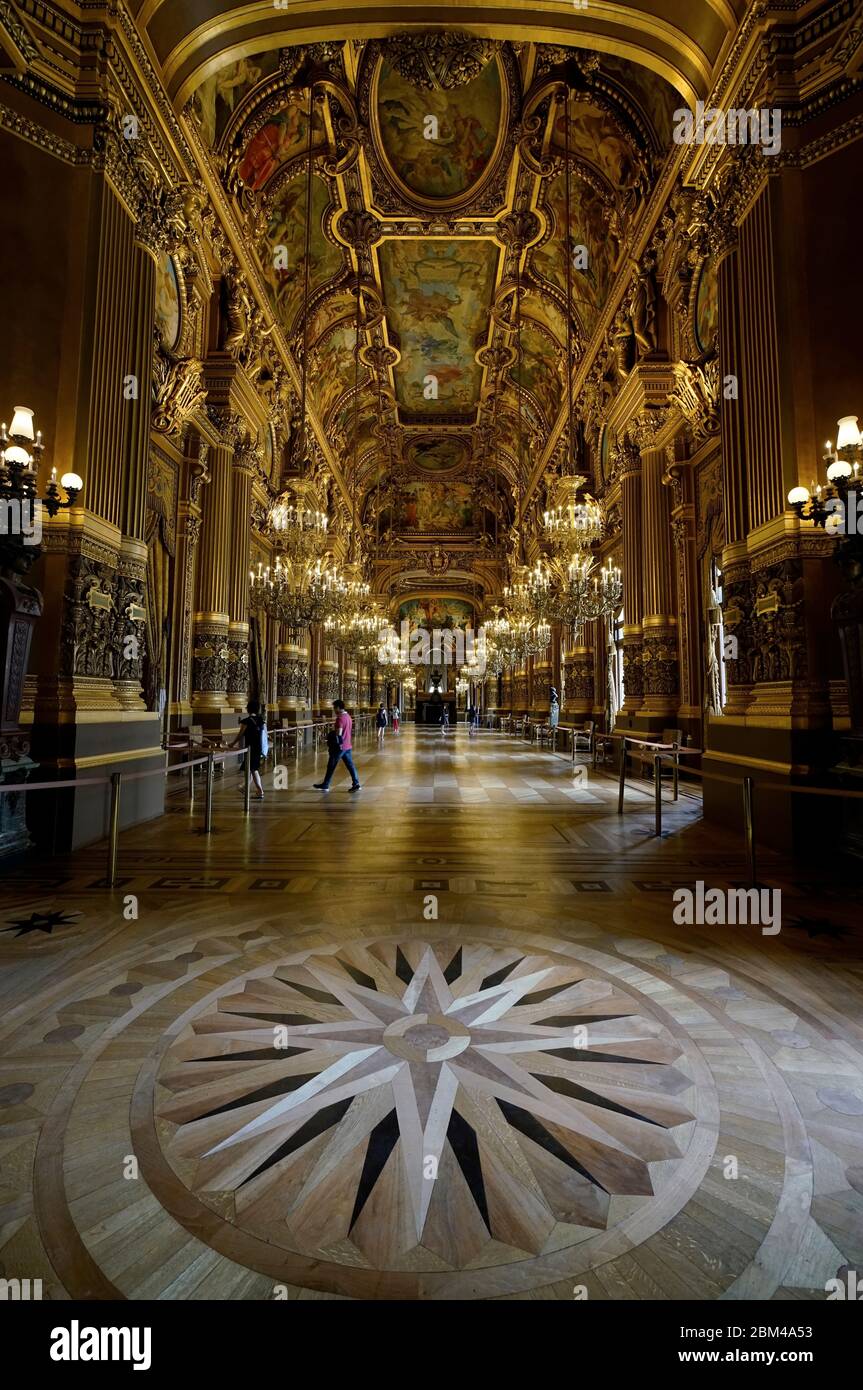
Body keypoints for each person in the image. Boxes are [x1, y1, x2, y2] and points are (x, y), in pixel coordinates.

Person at [314, 699, 361, 792]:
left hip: (340, 747)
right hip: (347, 745)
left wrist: (338, 744)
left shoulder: (340, 718)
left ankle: (326, 785)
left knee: (331, 765)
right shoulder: (348, 716)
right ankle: (356, 783)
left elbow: (339, 734)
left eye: (335, 708)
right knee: (350, 766)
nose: (334, 710)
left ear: (339, 708)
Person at [231, 698, 265, 800]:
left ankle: (259, 791)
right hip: (258, 748)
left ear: (248, 709)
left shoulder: (246, 721)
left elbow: (240, 735)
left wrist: (232, 744)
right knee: (251, 769)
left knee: (253, 769)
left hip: (250, 748)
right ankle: (245, 787)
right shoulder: (261, 721)